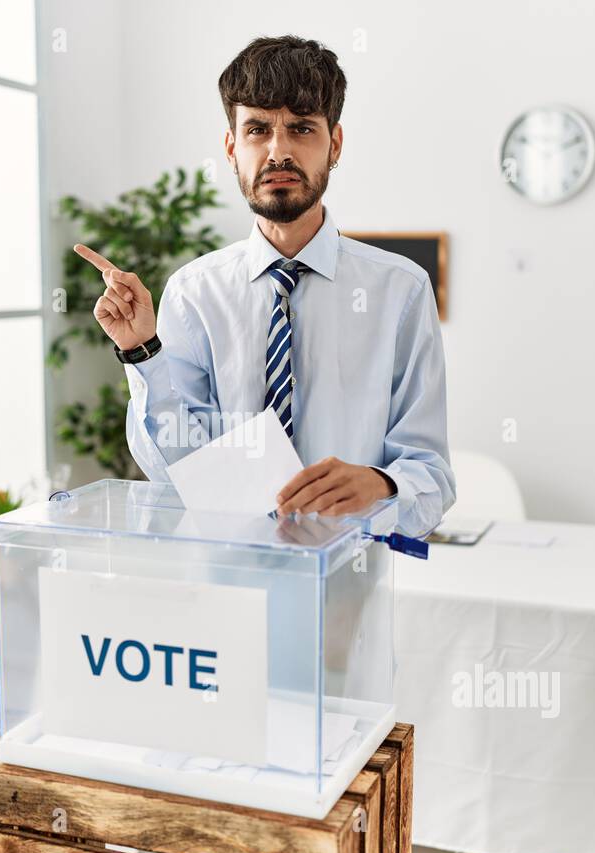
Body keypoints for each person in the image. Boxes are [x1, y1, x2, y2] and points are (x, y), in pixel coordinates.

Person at [74, 34, 454, 537]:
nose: (279, 152)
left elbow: (432, 476)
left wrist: (381, 484)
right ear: (232, 147)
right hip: (229, 578)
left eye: (301, 128)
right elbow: (176, 474)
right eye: (257, 129)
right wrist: (142, 350)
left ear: (334, 144)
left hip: (350, 581)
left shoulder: (400, 291)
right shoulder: (193, 294)